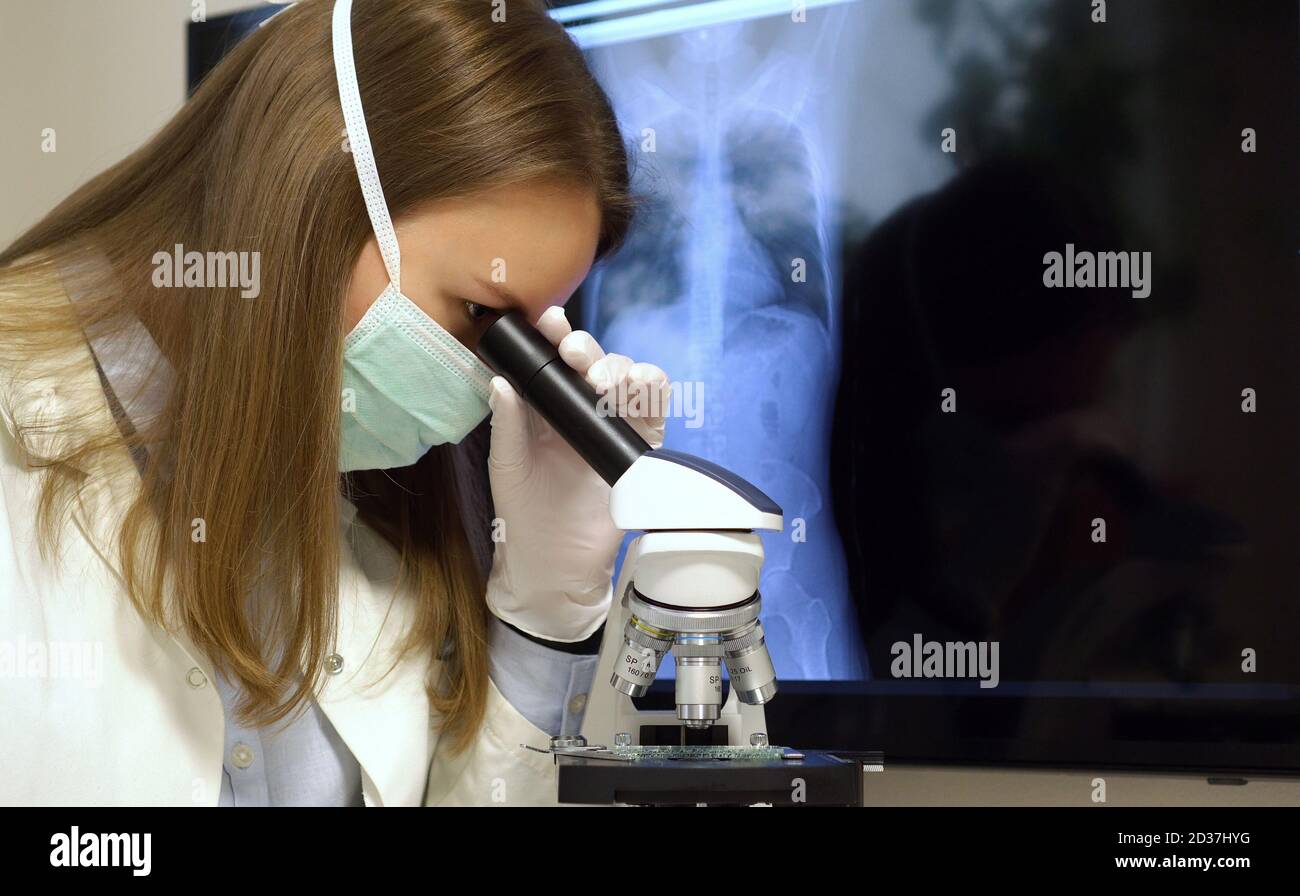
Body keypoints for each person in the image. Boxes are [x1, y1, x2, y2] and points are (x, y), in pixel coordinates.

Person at [0, 0, 669, 806]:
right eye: (479, 317)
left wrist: (543, 611)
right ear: (313, 190)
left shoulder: (401, 497)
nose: (484, 386)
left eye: (525, 340)